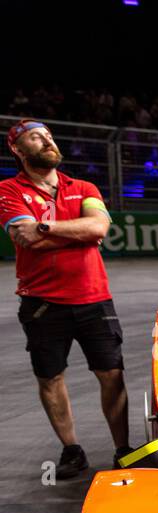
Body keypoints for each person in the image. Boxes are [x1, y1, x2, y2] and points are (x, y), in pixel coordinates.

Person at [0, 119, 130, 478]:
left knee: (112, 374)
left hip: (94, 298)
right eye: (35, 137)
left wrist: (46, 227)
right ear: (17, 149)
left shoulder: (84, 186)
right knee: (50, 377)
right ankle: (72, 451)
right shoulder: (8, 190)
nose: (47, 141)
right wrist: (79, 233)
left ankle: (123, 450)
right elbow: (25, 239)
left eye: (49, 136)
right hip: (42, 303)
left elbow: (99, 227)